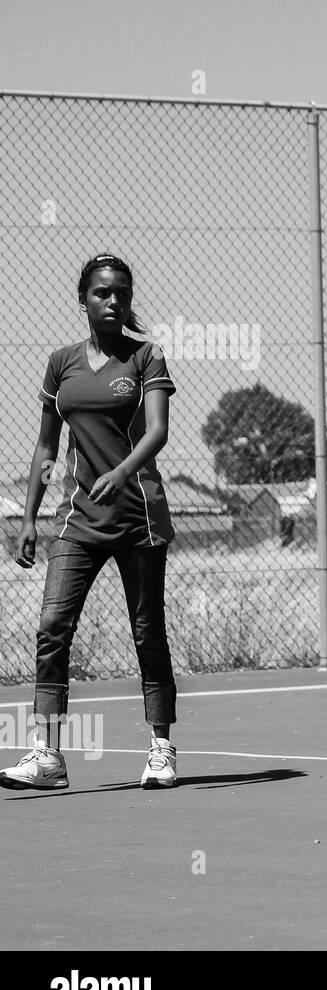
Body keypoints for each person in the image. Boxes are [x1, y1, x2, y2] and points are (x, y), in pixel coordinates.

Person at [2, 254, 180, 791]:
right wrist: (29, 518)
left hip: (137, 518)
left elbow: (157, 431)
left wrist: (123, 472)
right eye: (102, 293)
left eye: (122, 293)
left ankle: (161, 749)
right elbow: (44, 446)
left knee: (147, 632)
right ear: (83, 300)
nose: (113, 302)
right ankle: (48, 755)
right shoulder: (62, 363)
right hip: (76, 521)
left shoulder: (147, 356)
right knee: (52, 628)